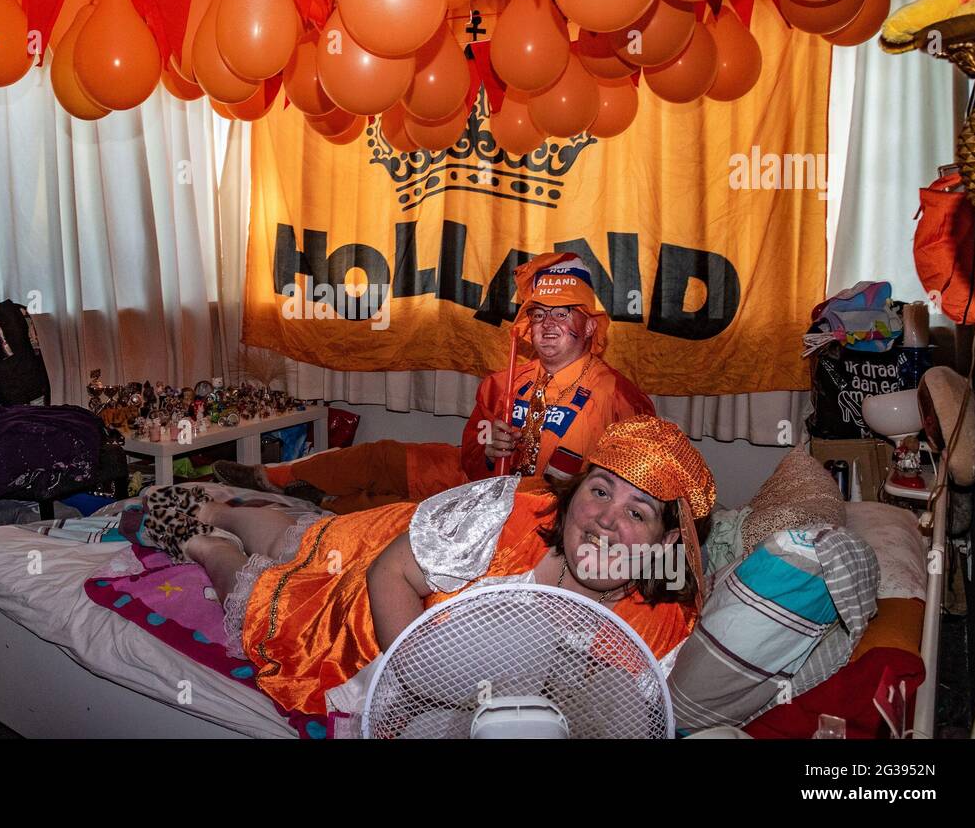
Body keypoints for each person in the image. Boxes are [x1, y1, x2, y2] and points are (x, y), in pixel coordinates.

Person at [137, 415, 714, 717]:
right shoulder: (507, 512)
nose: (606, 520)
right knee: (301, 558)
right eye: (599, 491)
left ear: (665, 542)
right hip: (398, 589)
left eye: (637, 511)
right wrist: (421, 682)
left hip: (432, 615)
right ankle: (215, 519)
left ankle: (214, 532)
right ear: (572, 493)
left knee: (298, 555)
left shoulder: (657, 629)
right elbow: (388, 574)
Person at [214, 253, 654, 514]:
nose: (547, 324)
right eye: (538, 314)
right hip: (471, 480)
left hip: (520, 513)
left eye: (562, 314)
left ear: (590, 327)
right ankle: (270, 476)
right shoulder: (503, 384)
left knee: (400, 514)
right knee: (381, 455)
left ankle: (322, 504)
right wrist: (489, 451)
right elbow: (470, 455)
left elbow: (633, 488)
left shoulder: (619, 398)